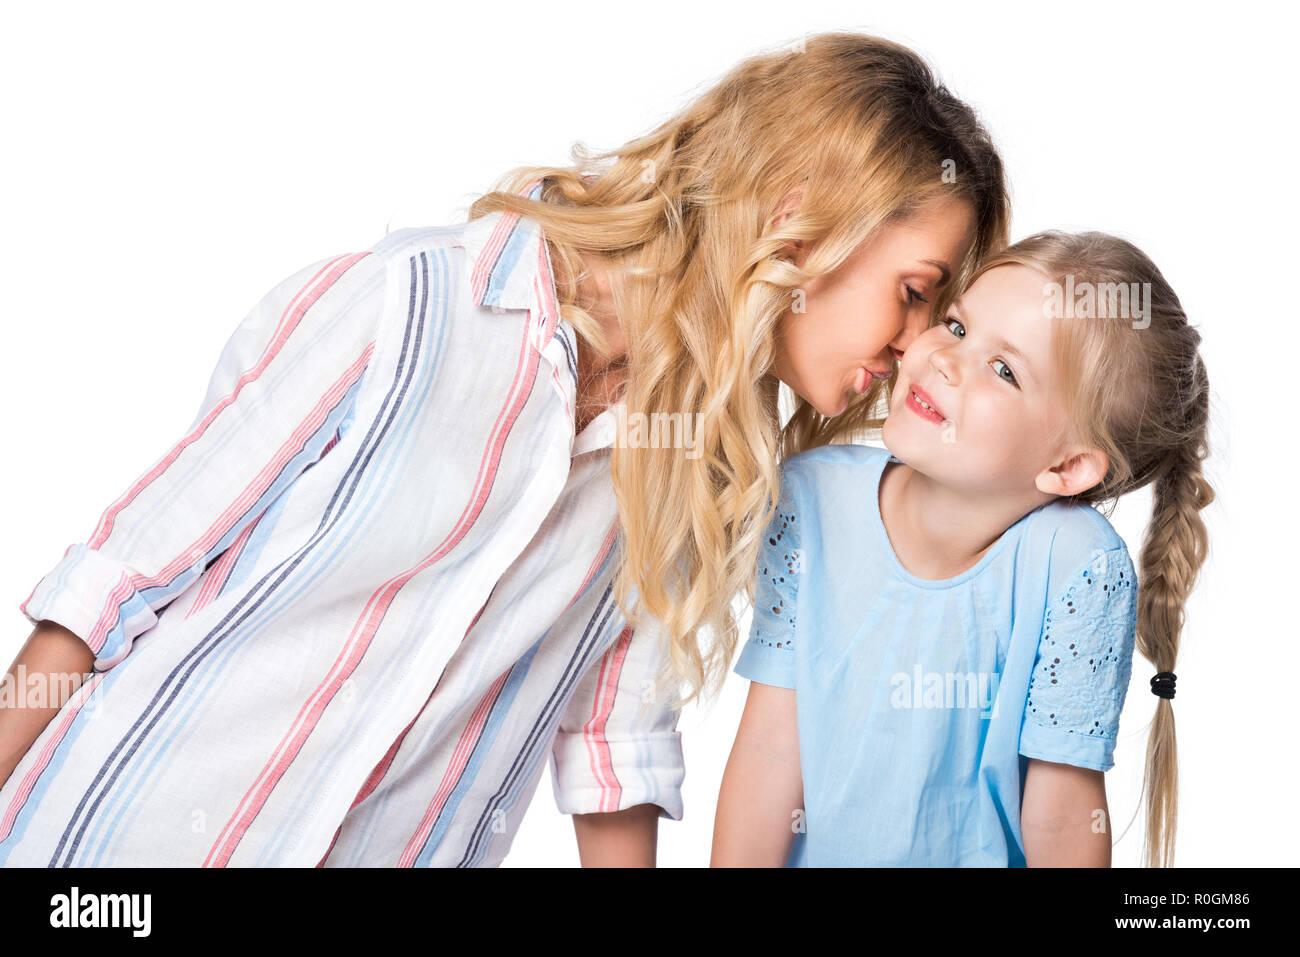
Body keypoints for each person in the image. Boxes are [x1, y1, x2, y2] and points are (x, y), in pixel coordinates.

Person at [0, 32, 1008, 866]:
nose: (918, 347)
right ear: (796, 216)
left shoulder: (701, 470)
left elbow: (613, 749)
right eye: (916, 293)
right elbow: (124, 577)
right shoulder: (410, 307)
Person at [712, 230, 1214, 867]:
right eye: (954, 325)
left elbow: (1062, 812)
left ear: (1067, 466)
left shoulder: (1077, 565)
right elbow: (771, 749)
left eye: (1004, 370)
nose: (944, 359)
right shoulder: (810, 501)